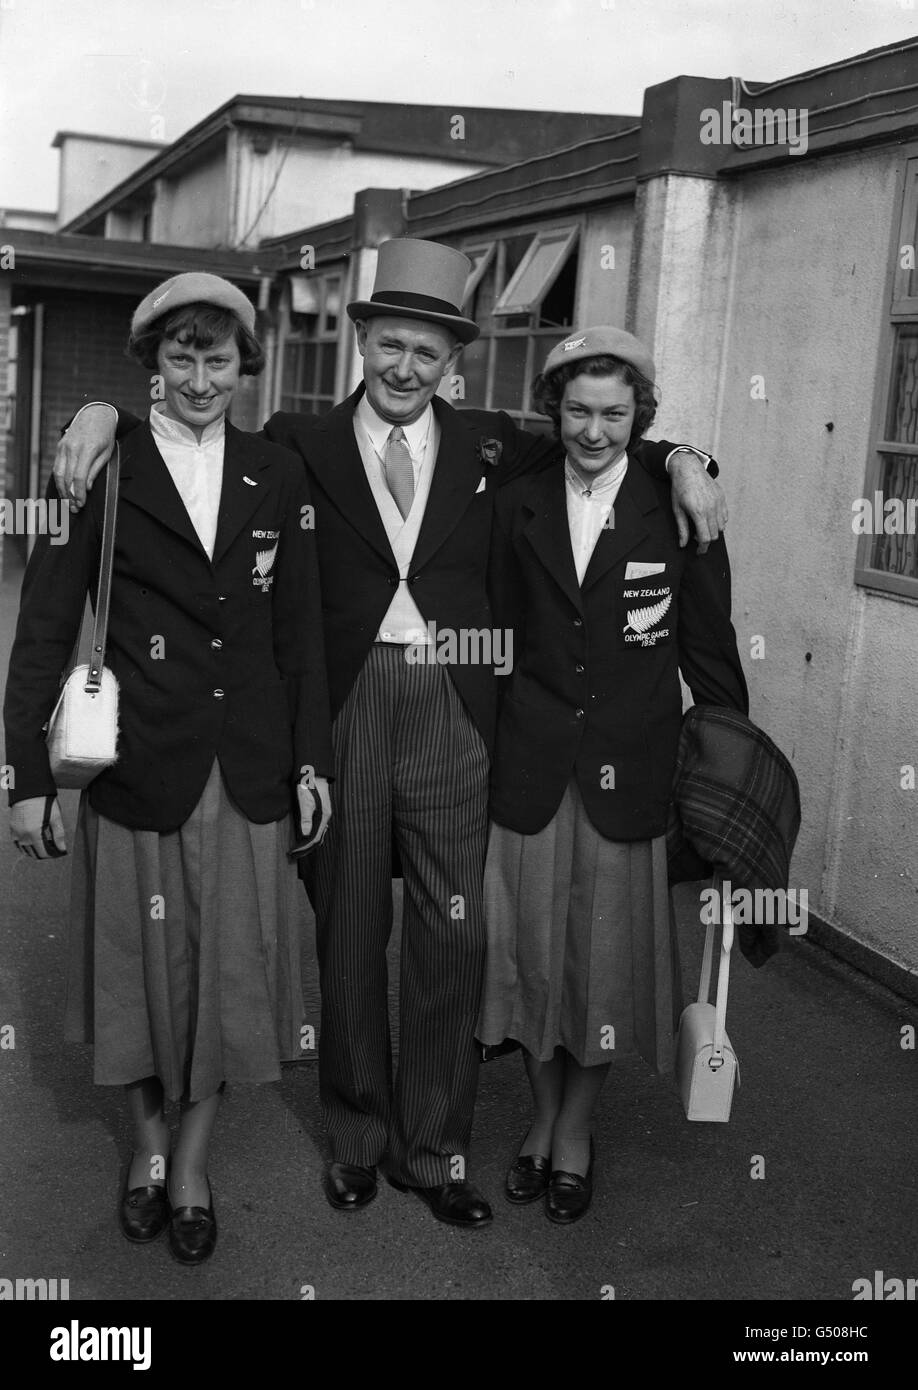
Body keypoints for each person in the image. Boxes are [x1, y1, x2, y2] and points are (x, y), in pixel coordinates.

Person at [53, 240, 725, 1229]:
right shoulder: (296, 443)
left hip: (456, 705)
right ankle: (359, 1139)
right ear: (363, 342)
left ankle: (438, 1147)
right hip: (342, 705)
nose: (406, 368)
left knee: (455, 932)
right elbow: (180, 419)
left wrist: (689, 460)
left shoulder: (497, 444)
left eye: (427, 351)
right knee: (350, 930)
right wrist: (100, 410)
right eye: (390, 345)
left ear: (450, 358)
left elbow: (609, 437)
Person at [5, 272, 332, 1264]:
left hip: (246, 779)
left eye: (217, 357)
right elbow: (44, 630)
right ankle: (146, 1150)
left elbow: (302, 639)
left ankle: (191, 1164)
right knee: (142, 984)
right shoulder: (104, 465)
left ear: (245, 366)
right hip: (136, 769)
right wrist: (23, 778)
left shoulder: (278, 475)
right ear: (153, 367)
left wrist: (312, 761)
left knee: (225, 985)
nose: (199, 376)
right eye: (180, 357)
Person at [478, 326, 748, 1223]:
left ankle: (576, 1132)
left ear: (642, 417)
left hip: (627, 773)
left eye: (616, 413)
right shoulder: (514, 500)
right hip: (529, 766)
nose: (596, 430)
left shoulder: (680, 506)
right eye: (581, 410)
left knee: (597, 966)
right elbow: (493, 638)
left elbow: (709, 653)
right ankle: (538, 1119)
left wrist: (729, 777)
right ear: (555, 411)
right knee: (528, 962)